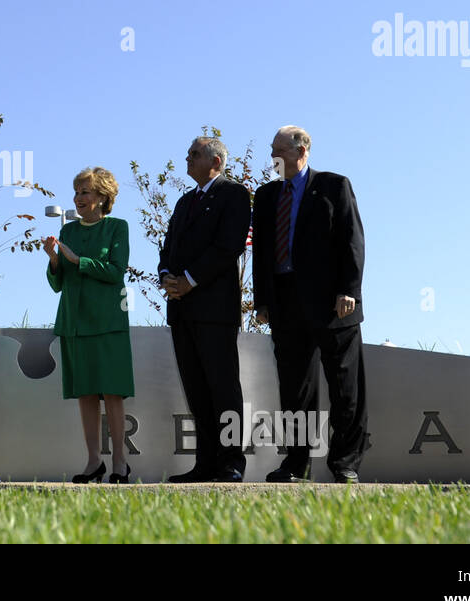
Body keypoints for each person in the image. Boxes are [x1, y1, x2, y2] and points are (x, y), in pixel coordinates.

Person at [252, 126, 368, 483]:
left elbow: (352, 239)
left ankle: (345, 461)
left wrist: (349, 289)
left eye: (279, 150)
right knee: (295, 389)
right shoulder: (267, 195)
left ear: (302, 150)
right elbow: (261, 252)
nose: (273, 158)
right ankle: (296, 463)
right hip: (286, 304)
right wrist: (262, 300)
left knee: (345, 386)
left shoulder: (334, 185)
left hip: (334, 304)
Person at [158, 136, 251, 483]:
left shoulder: (234, 194)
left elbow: (229, 246)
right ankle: (205, 463)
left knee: (222, 387)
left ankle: (231, 462)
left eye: (194, 154)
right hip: (181, 311)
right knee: (196, 388)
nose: (187, 158)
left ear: (215, 161)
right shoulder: (184, 202)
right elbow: (167, 247)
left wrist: (190, 281)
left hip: (214, 311)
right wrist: (167, 276)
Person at [44, 167, 134, 483]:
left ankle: (120, 463)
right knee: (84, 393)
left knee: (112, 393)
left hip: (108, 322)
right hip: (74, 322)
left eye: (85, 192)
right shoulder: (68, 232)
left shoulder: (117, 228)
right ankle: (93, 462)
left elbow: (115, 272)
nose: (78, 198)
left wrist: (76, 259)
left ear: (101, 197)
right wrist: (55, 260)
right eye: (77, 191)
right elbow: (58, 283)